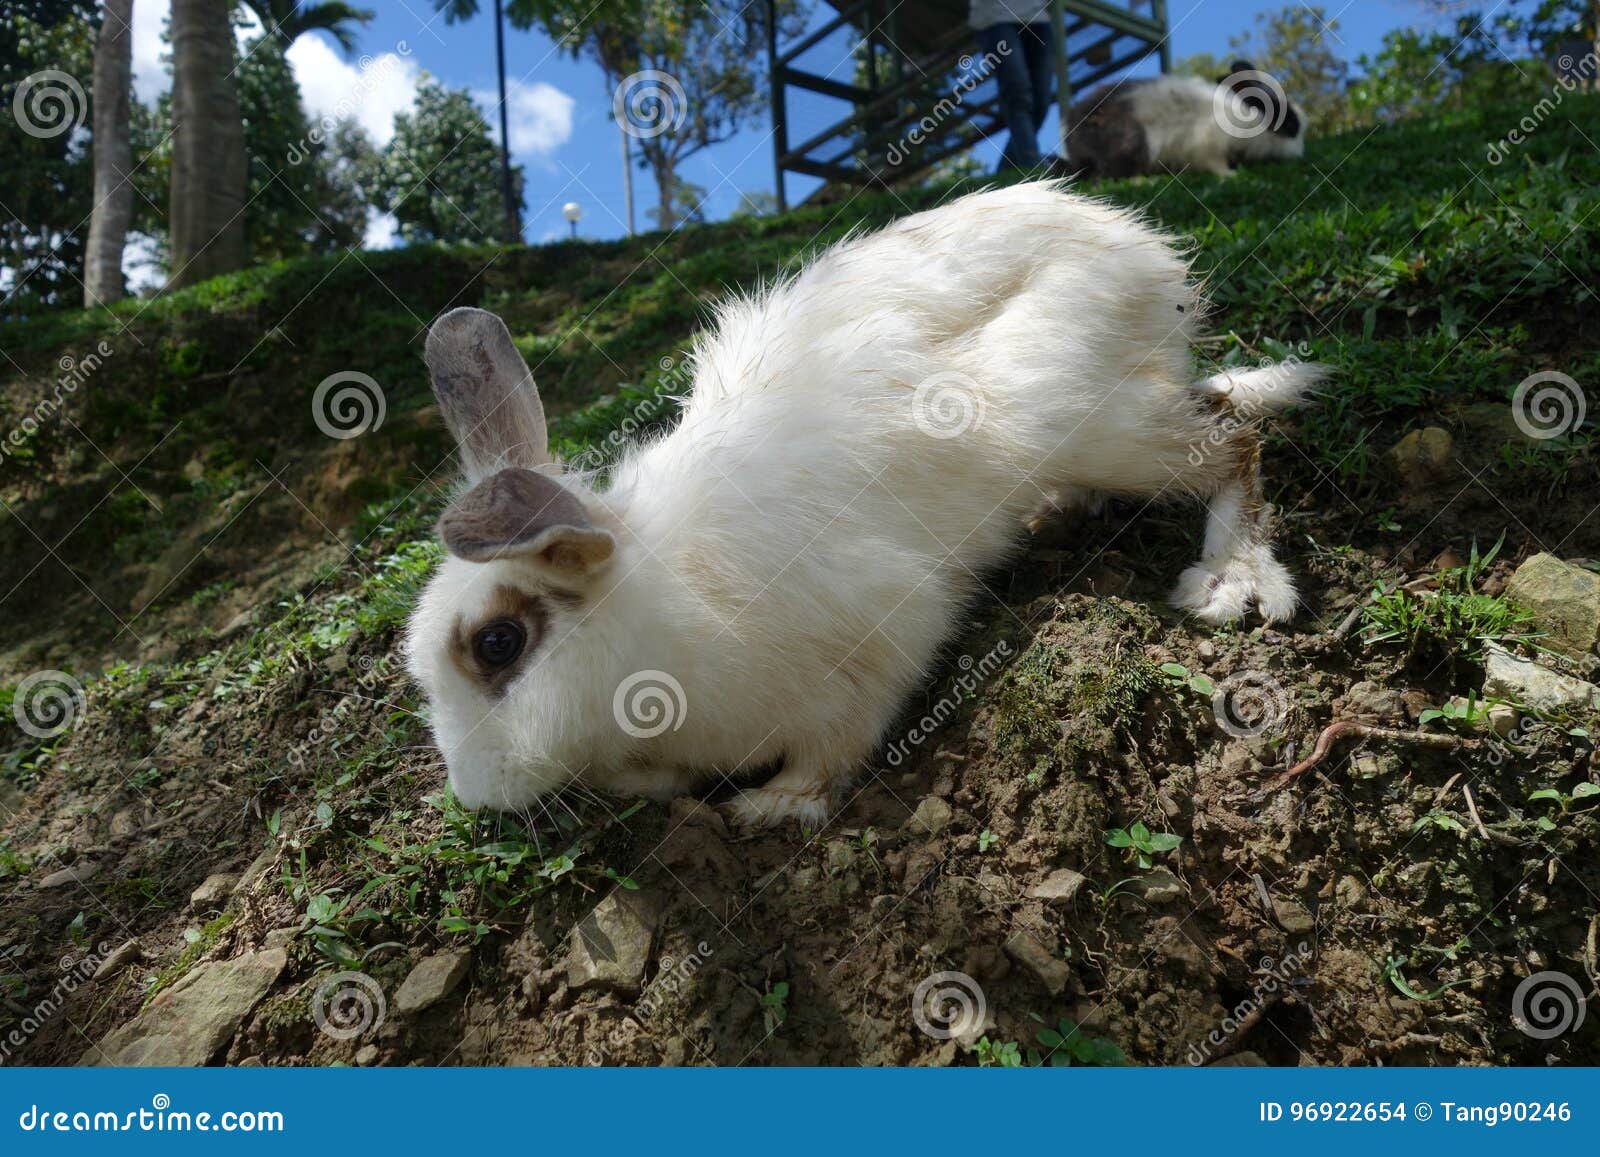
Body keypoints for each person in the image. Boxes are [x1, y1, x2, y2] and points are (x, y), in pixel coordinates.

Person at [969, 1, 1056, 172]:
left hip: (1039, 18)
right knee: (1018, 95)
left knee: (1041, 102)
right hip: (995, 20)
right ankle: (1032, 164)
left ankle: (1006, 170)